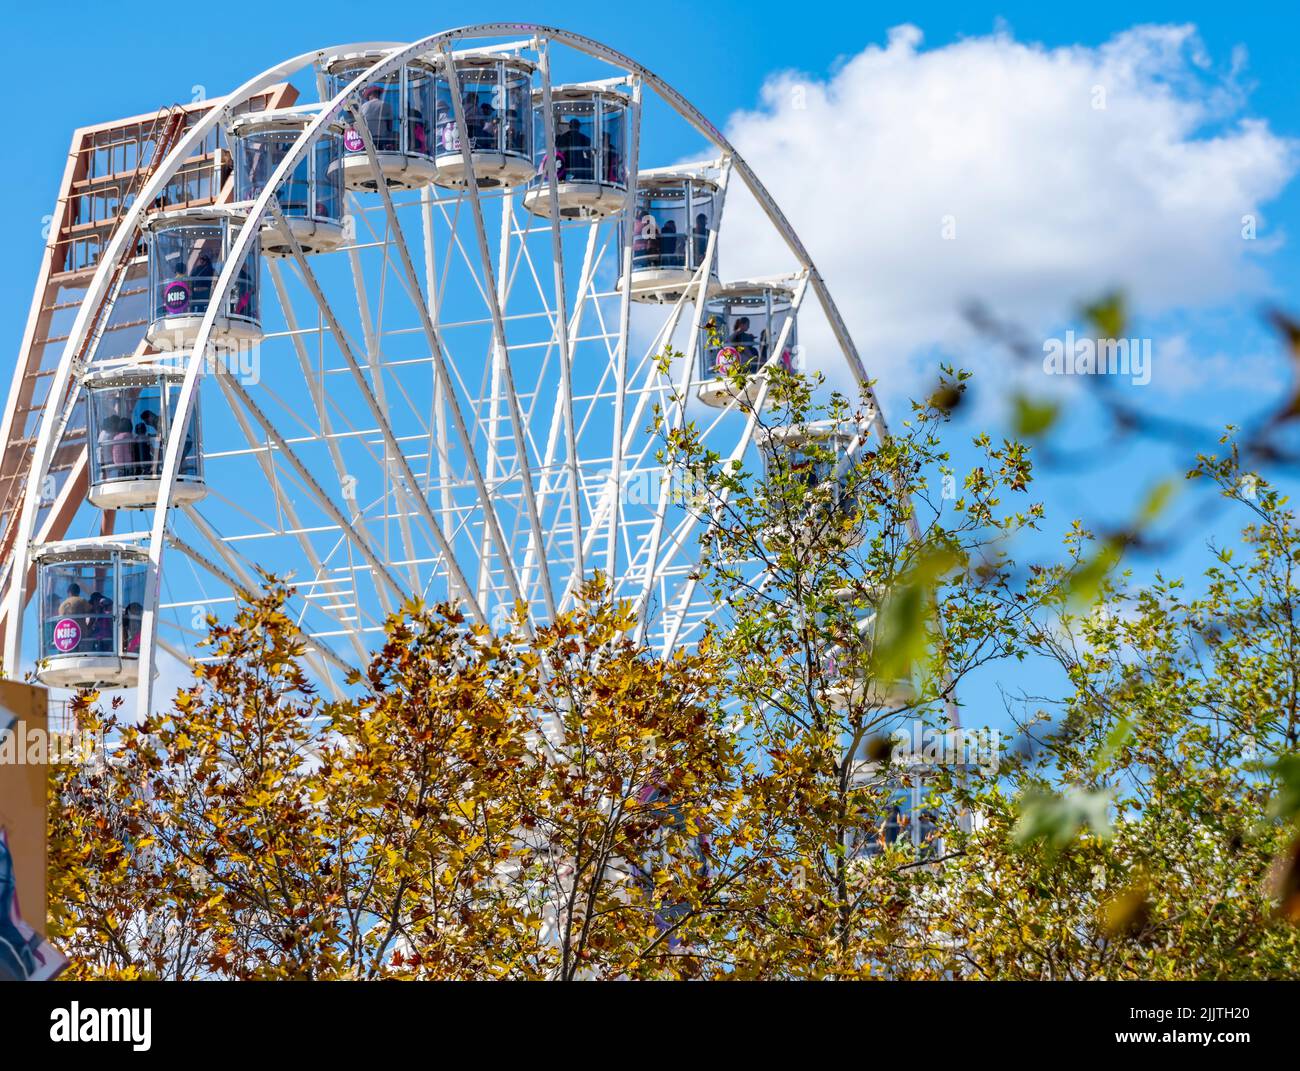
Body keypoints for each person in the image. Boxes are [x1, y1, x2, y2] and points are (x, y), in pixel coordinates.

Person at [358, 84, 395, 152]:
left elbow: (360, 123)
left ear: (370, 95)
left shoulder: (364, 106)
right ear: (378, 94)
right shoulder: (386, 105)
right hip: (381, 137)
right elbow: (390, 124)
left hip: (367, 137)